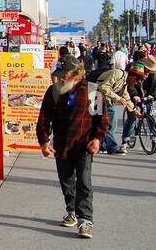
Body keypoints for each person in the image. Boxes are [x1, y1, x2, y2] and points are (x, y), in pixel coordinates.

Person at [37, 57, 109, 239]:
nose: (59, 78)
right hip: (61, 145)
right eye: (58, 74)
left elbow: (102, 121)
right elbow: (44, 119)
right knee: (66, 181)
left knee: (84, 182)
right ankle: (72, 211)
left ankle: (86, 221)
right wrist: (44, 142)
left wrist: (97, 139)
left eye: (64, 75)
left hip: (84, 145)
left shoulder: (93, 91)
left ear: (76, 74)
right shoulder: (53, 91)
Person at [89, 57, 137, 155]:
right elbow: (104, 87)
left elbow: (125, 95)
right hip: (93, 91)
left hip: (101, 96)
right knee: (109, 119)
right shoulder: (118, 74)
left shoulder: (124, 81)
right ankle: (112, 147)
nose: (137, 82)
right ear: (132, 76)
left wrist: (133, 109)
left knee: (103, 121)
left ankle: (102, 145)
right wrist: (118, 98)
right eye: (138, 79)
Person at [123, 61, 156, 154]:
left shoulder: (154, 75)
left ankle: (155, 142)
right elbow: (130, 83)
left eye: (150, 70)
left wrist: (153, 95)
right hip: (135, 99)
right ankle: (124, 142)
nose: (148, 72)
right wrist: (134, 95)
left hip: (147, 99)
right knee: (132, 118)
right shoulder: (135, 69)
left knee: (154, 118)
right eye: (148, 70)